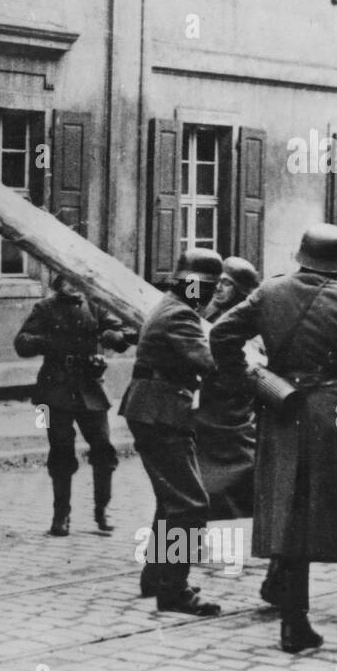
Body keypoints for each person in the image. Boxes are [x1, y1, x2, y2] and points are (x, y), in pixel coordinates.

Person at [210, 224, 337, 654]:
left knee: (291, 518)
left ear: (300, 256)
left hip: (285, 410)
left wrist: (250, 382)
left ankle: (294, 628)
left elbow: (222, 335)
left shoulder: (269, 292)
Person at [120, 247, 223, 616]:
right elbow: (208, 363)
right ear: (193, 287)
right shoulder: (181, 315)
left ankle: (157, 577)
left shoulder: (170, 305)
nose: (209, 296)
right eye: (207, 289)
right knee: (191, 504)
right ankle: (174, 590)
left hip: (154, 408)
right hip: (161, 411)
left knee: (172, 500)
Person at [13, 273, 132, 536]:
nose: (73, 286)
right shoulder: (45, 308)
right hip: (54, 389)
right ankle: (61, 515)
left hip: (90, 388)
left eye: (77, 281)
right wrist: (48, 343)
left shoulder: (96, 305)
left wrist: (113, 336)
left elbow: (121, 332)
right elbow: (21, 342)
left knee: (103, 448)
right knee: (61, 450)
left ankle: (103, 510)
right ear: (58, 284)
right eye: (67, 281)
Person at [195, 257, 260, 522]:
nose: (219, 288)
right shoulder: (204, 309)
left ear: (240, 289)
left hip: (233, 407)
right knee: (190, 476)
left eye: (227, 283)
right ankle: (184, 540)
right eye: (218, 281)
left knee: (238, 472)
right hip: (203, 401)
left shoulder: (250, 315)